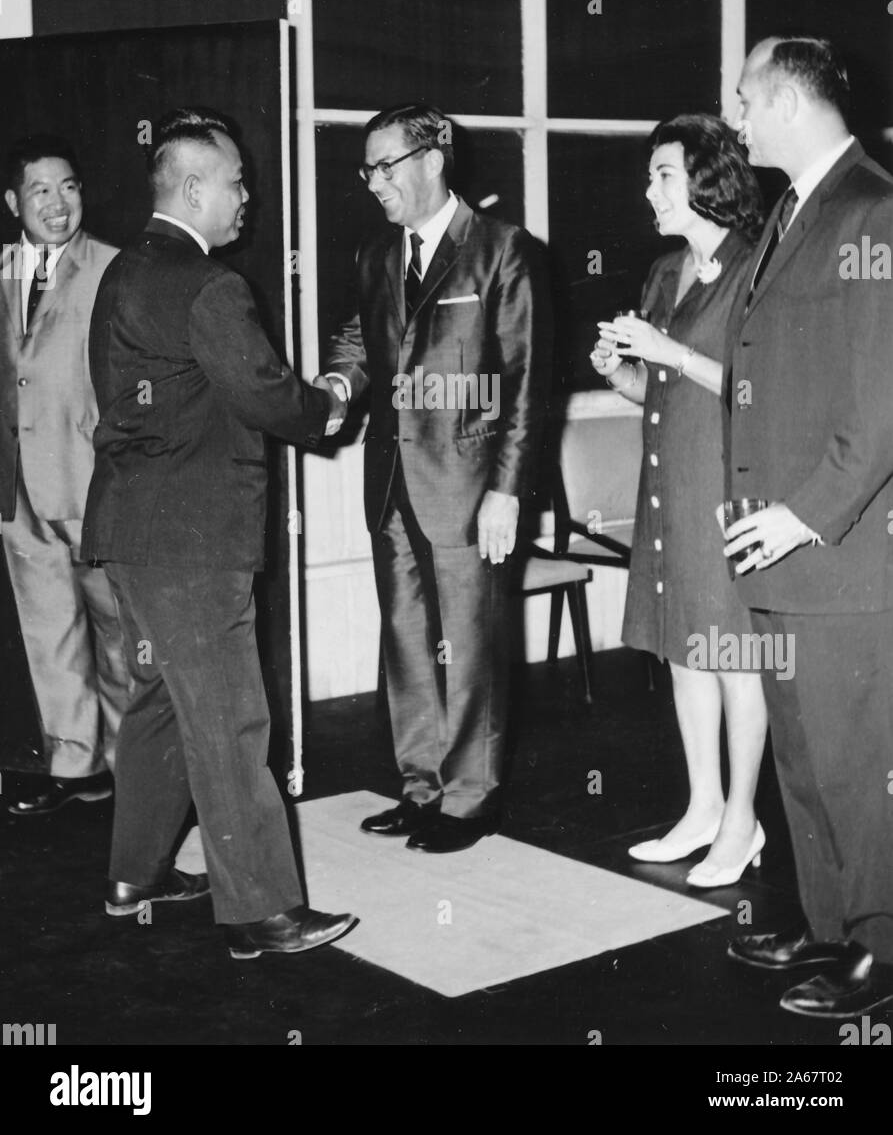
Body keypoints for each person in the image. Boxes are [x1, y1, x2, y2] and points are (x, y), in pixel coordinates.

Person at [82, 108, 357, 959]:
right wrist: (335, 394)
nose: (247, 197)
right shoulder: (208, 285)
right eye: (237, 183)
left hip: (131, 531)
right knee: (231, 721)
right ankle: (260, 915)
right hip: (191, 544)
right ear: (195, 189)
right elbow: (269, 397)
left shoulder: (122, 271)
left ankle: (135, 877)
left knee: (162, 703)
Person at [319, 103, 552, 853]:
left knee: (470, 645)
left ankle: (470, 800)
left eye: (385, 166)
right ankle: (420, 788)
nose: (373, 183)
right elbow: (362, 338)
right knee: (407, 642)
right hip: (391, 478)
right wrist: (337, 382)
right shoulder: (375, 254)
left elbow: (524, 381)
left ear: (431, 160)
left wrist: (507, 491)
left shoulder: (501, 249)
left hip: (469, 485)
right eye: (367, 170)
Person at [722, 36, 893, 1018]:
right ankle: (831, 929)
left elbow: (881, 401)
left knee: (855, 765)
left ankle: (881, 952)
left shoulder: (873, 210)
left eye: (744, 100)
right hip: (778, 550)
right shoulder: (791, 213)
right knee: (802, 758)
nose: (736, 119)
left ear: (787, 100)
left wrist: (804, 512)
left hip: (841, 551)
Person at [591, 114, 768, 888]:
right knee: (682, 650)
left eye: (663, 174)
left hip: (728, 489)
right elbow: (659, 390)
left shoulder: (758, 265)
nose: (649, 191)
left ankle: (742, 820)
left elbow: (763, 391)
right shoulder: (665, 272)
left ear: (706, 179)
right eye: (650, 177)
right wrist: (621, 372)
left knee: (734, 658)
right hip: (668, 485)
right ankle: (702, 807)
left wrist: (670, 351)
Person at [1, 135, 129, 814]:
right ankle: (75, 765)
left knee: (118, 631)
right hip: (18, 487)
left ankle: (131, 768)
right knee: (48, 630)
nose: (58, 203)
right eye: (41, 190)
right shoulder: (3, 270)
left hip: (90, 480)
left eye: (69, 186)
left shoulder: (112, 268)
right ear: (13, 201)